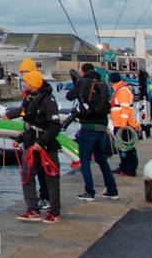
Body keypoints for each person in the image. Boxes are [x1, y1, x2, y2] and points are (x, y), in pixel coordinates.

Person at [8, 64, 62, 223]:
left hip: (45, 145)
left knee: (51, 178)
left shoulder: (47, 100)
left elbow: (55, 126)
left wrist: (42, 141)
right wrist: (19, 139)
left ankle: (54, 211)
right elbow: (28, 121)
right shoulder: (30, 97)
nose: (24, 84)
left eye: (26, 82)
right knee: (27, 176)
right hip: (30, 142)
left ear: (33, 84)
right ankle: (32, 209)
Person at [67, 64, 118, 202]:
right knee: (101, 159)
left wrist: (77, 84)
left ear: (83, 72)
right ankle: (112, 190)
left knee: (85, 160)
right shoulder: (103, 84)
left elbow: (69, 96)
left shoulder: (83, 82)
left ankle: (89, 191)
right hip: (102, 126)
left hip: (88, 126)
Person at [109, 72, 139, 177]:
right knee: (122, 147)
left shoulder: (122, 91)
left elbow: (125, 108)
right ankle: (124, 166)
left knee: (127, 147)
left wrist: (123, 124)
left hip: (124, 125)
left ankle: (130, 169)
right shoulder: (120, 89)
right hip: (119, 123)